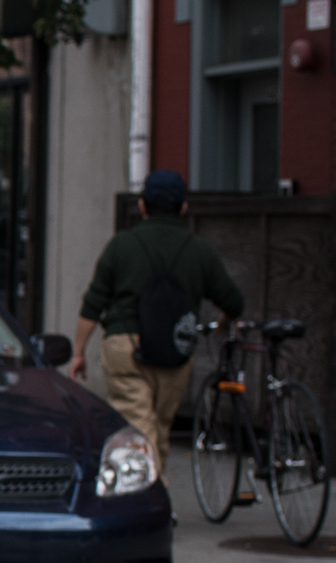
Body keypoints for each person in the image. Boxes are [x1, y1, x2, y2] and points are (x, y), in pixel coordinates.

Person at [72, 169, 244, 476]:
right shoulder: (198, 251)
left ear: (142, 206)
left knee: (139, 427)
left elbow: (94, 302)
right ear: (183, 208)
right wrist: (223, 322)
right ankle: (155, 491)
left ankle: (149, 492)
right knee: (160, 429)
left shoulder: (122, 245)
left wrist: (78, 351)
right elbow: (233, 302)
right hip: (174, 349)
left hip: (126, 344)